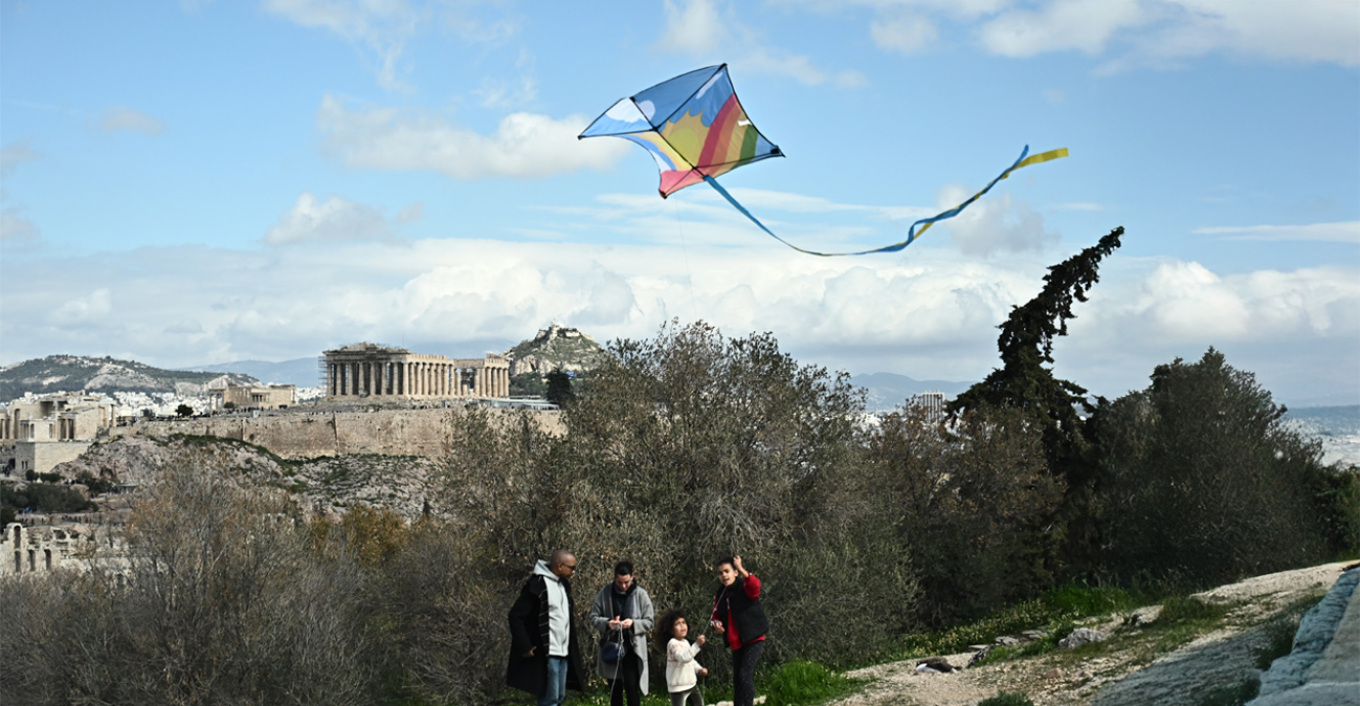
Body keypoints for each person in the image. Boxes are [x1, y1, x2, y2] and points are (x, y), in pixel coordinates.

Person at [507, 549, 586, 706]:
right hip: (547, 653)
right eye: (571, 568)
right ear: (559, 565)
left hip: (564, 652)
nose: (574, 572)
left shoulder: (564, 585)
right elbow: (515, 616)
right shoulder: (537, 585)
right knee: (549, 700)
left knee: (559, 697)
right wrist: (525, 646)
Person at [589, 560, 655, 706]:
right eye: (619, 582)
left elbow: (650, 621)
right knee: (614, 689)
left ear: (632, 576)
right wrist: (607, 624)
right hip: (612, 647)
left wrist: (633, 624)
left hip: (633, 648)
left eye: (626, 582)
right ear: (614, 578)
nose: (623, 586)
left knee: (632, 687)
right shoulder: (605, 593)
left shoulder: (641, 595)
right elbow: (593, 617)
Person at [709, 555, 767, 706]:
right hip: (736, 643)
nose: (724, 575)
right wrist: (716, 624)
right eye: (720, 573)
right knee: (737, 680)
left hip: (753, 638)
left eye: (727, 571)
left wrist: (742, 568)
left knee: (744, 675)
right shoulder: (720, 594)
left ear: (735, 572)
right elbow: (715, 615)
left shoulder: (743, 586)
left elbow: (755, 588)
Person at [661, 609, 708, 706]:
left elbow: (691, 661)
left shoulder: (685, 642)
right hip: (678, 687)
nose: (682, 625)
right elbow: (683, 658)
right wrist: (697, 645)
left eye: (683, 622)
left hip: (691, 684)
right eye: (677, 624)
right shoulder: (672, 644)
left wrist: (699, 669)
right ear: (670, 630)